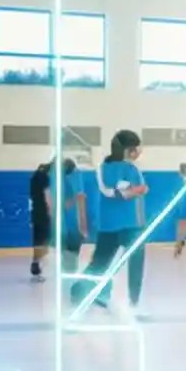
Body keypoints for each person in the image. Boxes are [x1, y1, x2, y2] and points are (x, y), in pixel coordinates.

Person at [71, 130, 149, 316]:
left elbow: (135, 189)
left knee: (135, 263)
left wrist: (132, 190)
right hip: (112, 225)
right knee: (100, 262)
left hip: (133, 225)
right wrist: (131, 191)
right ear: (126, 150)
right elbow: (109, 191)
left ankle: (134, 301)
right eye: (135, 148)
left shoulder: (132, 169)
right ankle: (79, 291)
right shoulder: (103, 168)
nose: (138, 152)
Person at [60, 158, 88, 276]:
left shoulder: (60, 180)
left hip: (64, 224)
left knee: (67, 251)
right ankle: (69, 273)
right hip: (72, 223)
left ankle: (67, 272)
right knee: (71, 251)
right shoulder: (76, 176)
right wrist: (83, 225)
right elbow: (80, 198)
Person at [28, 161, 54, 282]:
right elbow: (47, 195)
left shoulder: (33, 178)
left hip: (35, 213)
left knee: (37, 240)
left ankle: (36, 264)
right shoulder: (45, 178)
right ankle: (38, 267)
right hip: (43, 213)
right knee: (44, 242)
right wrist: (52, 212)